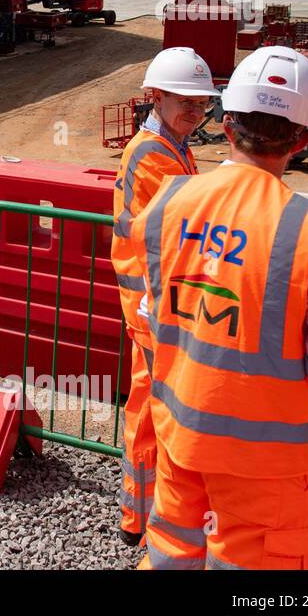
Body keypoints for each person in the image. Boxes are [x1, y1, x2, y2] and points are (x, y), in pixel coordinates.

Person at [129, 46, 308, 569]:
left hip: (181, 441)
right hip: (266, 468)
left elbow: (152, 315)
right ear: (304, 139)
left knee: (173, 553)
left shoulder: (170, 203)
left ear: (225, 124)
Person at [111, 47, 217, 544]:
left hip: (155, 305)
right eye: (185, 101)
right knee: (158, 411)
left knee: (151, 407)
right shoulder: (154, 153)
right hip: (153, 308)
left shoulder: (172, 145)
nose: (195, 112)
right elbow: (179, 229)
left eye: (202, 103)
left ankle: (147, 514)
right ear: (156, 96)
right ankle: (146, 519)